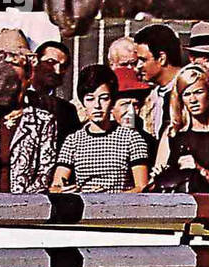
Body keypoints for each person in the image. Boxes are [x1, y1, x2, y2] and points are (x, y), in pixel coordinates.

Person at [0, 30, 57, 193]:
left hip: (28, 208)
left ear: (28, 79)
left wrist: (22, 207)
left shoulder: (43, 120)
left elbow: (44, 173)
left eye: (16, 82)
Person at [52, 65, 149, 193]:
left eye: (104, 98)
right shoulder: (73, 140)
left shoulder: (131, 138)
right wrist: (65, 191)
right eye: (90, 99)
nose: (97, 105)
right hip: (84, 208)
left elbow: (142, 186)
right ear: (83, 102)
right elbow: (56, 185)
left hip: (120, 208)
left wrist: (110, 199)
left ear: (112, 101)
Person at [153, 64, 209, 193]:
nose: (193, 100)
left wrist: (199, 169)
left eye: (198, 92)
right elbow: (155, 185)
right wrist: (159, 176)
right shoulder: (173, 133)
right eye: (186, 94)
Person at [133, 24, 184, 140]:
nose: (138, 66)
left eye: (143, 60)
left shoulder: (187, 90)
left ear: (162, 58)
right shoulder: (154, 95)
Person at [27, 40, 81, 147]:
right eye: (50, 62)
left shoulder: (67, 110)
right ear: (34, 61)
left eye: (63, 66)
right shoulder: (17, 99)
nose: (57, 71)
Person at [111, 66, 156, 162]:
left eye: (135, 105)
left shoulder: (149, 142)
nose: (131, 111)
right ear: (111, 108)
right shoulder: (100, 139)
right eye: (125, 104)